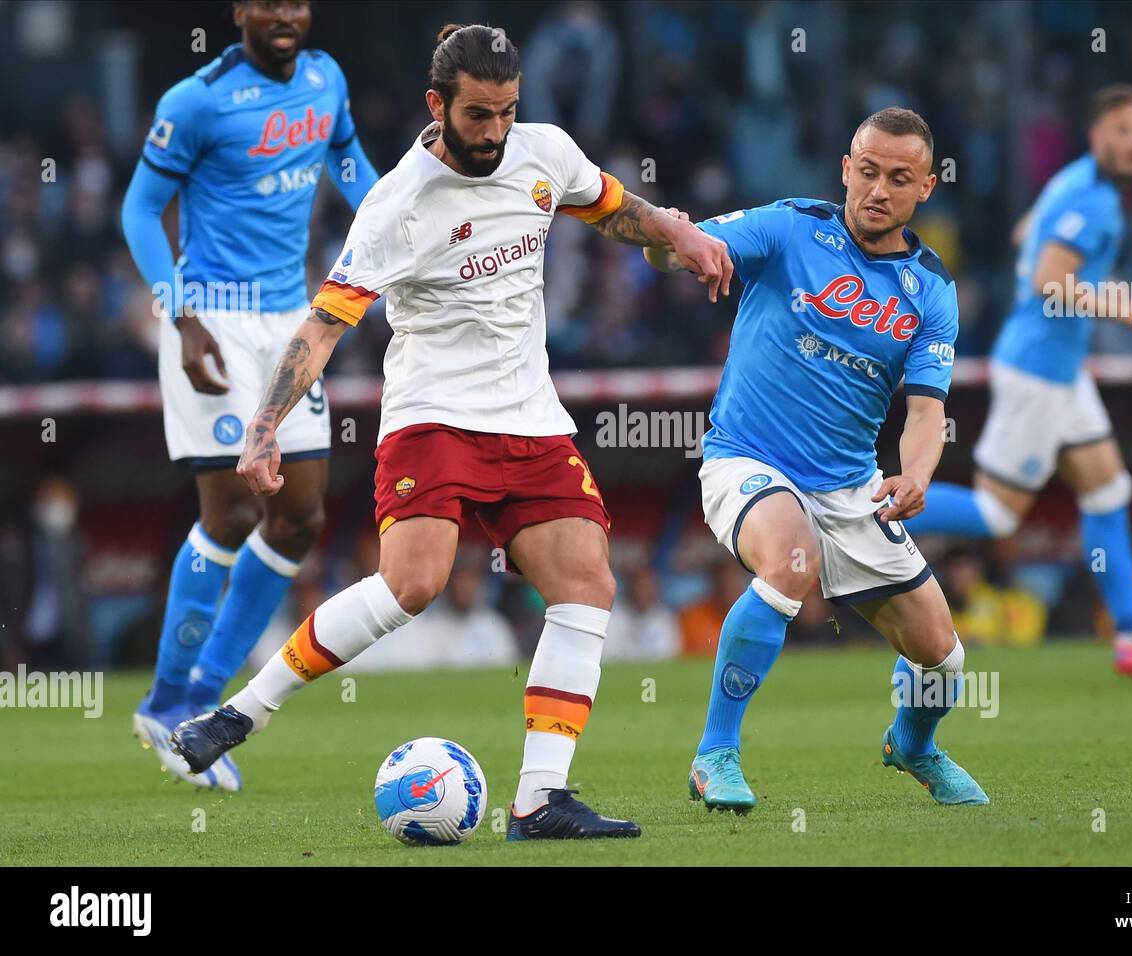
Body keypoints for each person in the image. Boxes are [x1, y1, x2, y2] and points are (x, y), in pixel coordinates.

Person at [172, 23, 731, 841]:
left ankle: (541, 798)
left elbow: (610, 209)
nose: (495, 132)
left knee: (587, 583)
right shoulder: (398, 205)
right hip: (433, 417)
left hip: (531, 417)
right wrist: (265, 422)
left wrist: (676, 231)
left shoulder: (543, 152)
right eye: (478, 115)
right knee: (414, 584)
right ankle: (243, 713)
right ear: (438, 105)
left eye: (506, 111)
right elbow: (325, 324)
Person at [646, 107, 988, 812]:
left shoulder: (932, 291)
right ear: (845, 169)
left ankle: (914, 746)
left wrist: (917, 473)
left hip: (850, 486)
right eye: (867, 171)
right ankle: (715, 753)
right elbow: (680, 246)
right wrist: (667, 242)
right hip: (747, 461)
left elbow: (926, 411)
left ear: (925, 187)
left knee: (942, 657)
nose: (878, 189)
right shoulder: (790, 225)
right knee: (791, 560)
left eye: (899, 178)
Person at [120, 0, 379, 790]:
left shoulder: (327, 80)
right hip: (215, 319)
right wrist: (179, 314)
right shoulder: (194, 101)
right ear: (240, 12)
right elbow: (138, 209)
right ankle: (169, 702)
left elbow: (353, 173)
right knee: (231, 509)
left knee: (300, 517)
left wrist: (413, 222)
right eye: (267, 2)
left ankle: (203, 702)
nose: (284, 15)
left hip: (293, 319)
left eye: (296, 2)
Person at [901, 85, 1132, 679]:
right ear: (1095, 135)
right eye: (1121, 130)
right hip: (1039, 370)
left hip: (1062, 372)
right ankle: (858, 514)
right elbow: (1047, 277)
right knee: (996, 515)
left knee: (1107, 492)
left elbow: (1026, 236)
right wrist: (1126, 308)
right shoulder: (1092, 200)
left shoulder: (1071, 184)